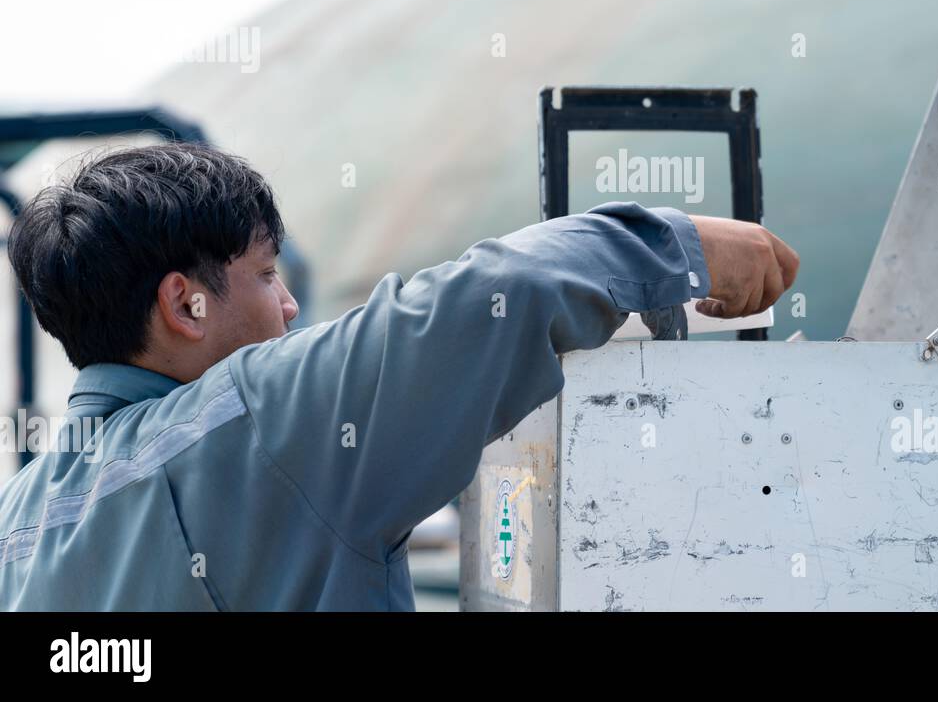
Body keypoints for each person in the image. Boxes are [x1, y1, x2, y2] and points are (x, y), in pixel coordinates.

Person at [0, 142, 798, 609]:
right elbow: (493, 296)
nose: (286, 308)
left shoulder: (18, 523)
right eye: (267, 273)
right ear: (187, 303)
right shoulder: (261, 425)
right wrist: (671, 245)